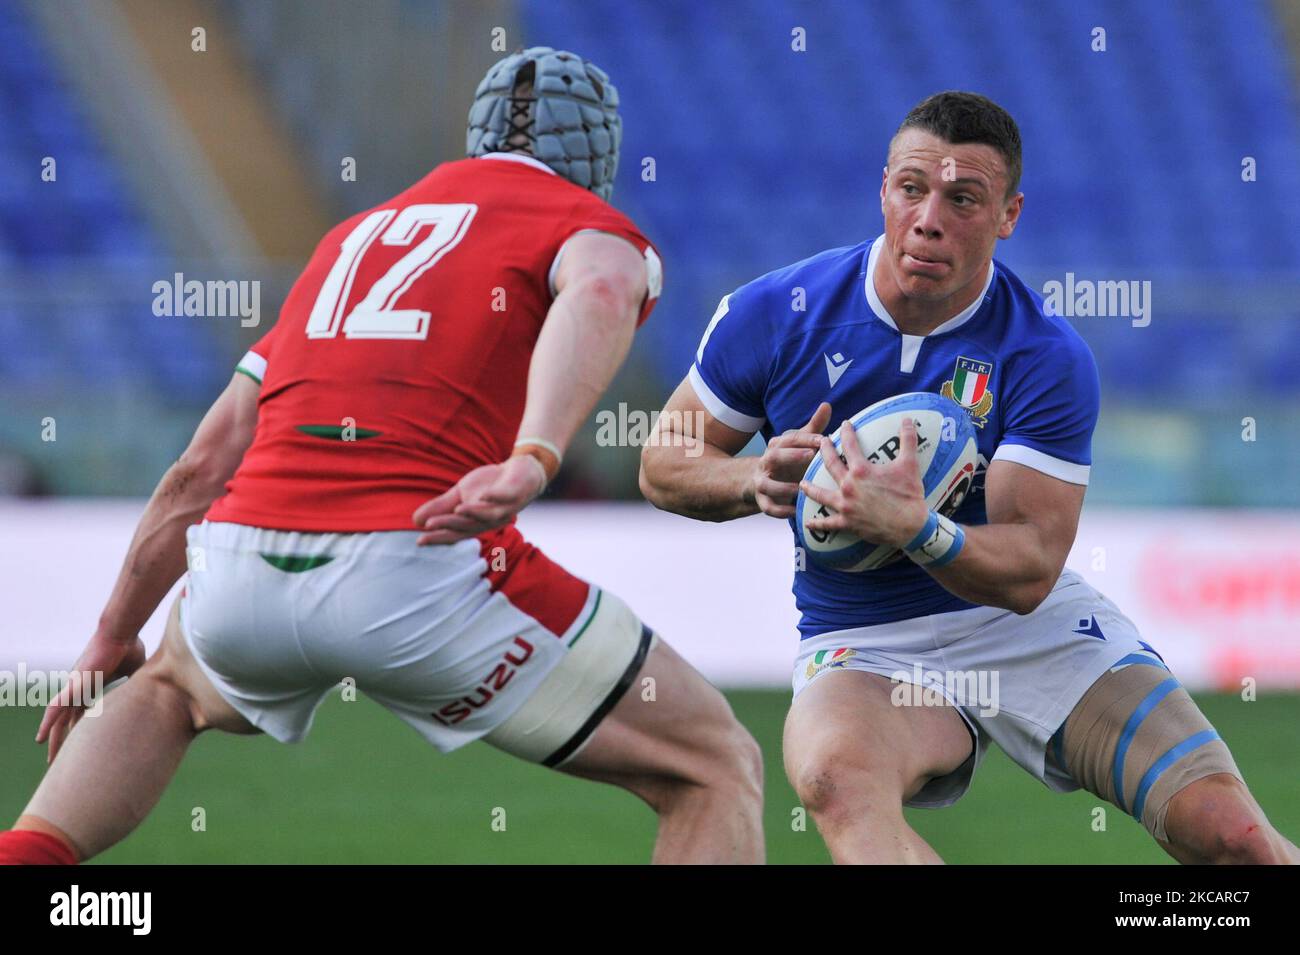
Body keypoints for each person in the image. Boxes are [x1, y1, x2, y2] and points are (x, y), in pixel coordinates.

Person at [1, 47, 763, 866]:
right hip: (418, 564)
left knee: (166, 688)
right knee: (714, 764)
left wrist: (112, 632)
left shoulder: (351, 240)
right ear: (600, 155)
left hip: (242, 565)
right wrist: (536, 457)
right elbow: (603, 289)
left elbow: (202, 463)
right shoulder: (588, 226)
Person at [640, 90, 1298, 864]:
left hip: (1024, 629)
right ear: (882, 188)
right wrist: (750, 479)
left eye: (963, 198)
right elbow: (664, 461)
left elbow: (1028, 570)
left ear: (1009, 215)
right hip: (866, 639)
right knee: (835, 779)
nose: (928, 219)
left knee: (1234, 839)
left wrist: (917, 528)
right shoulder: (777, 313)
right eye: (911, 189)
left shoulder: (1043, 355)